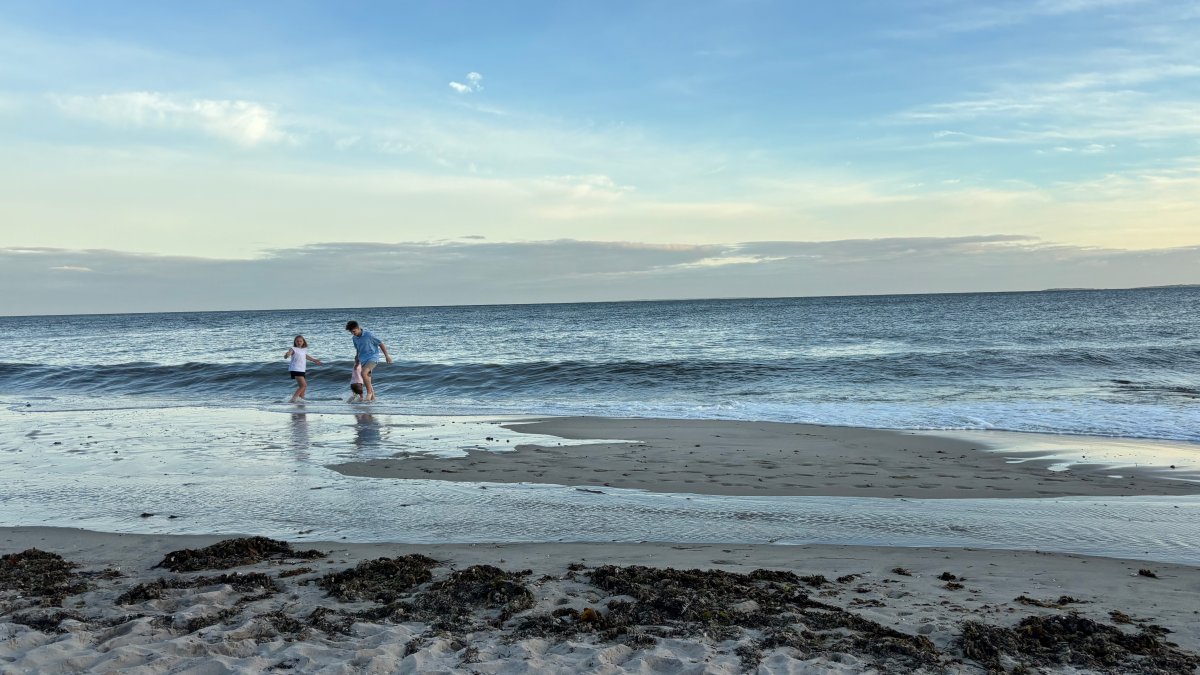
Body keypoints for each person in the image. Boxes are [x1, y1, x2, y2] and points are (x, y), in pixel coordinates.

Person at [345, 320, 392, 401]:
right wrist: (356, 358)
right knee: (368, 380)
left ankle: (369, 393)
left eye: (354, 331)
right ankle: (373, 401)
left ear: (358, 328)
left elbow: (380, 343)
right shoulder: (354, 338)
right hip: (363, 360)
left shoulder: (368, 335)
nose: (353, 333)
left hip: (373, 358)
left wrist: (387, 356)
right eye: (351, 332)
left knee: (363, 373)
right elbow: (358, 349)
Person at [283, 335, 322, 402]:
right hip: (295, 369)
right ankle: (293, 400)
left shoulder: (304, 349)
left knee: (303, 387)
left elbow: (306, 356)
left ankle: (301, 401)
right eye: (297, 341)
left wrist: (314, 360)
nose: (299, 342)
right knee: (303, 385)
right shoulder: (293, 349)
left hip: (301, 369)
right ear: (295, 342)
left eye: (300, 341)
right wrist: (287, 355)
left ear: (303, 342)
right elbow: (289, 354)